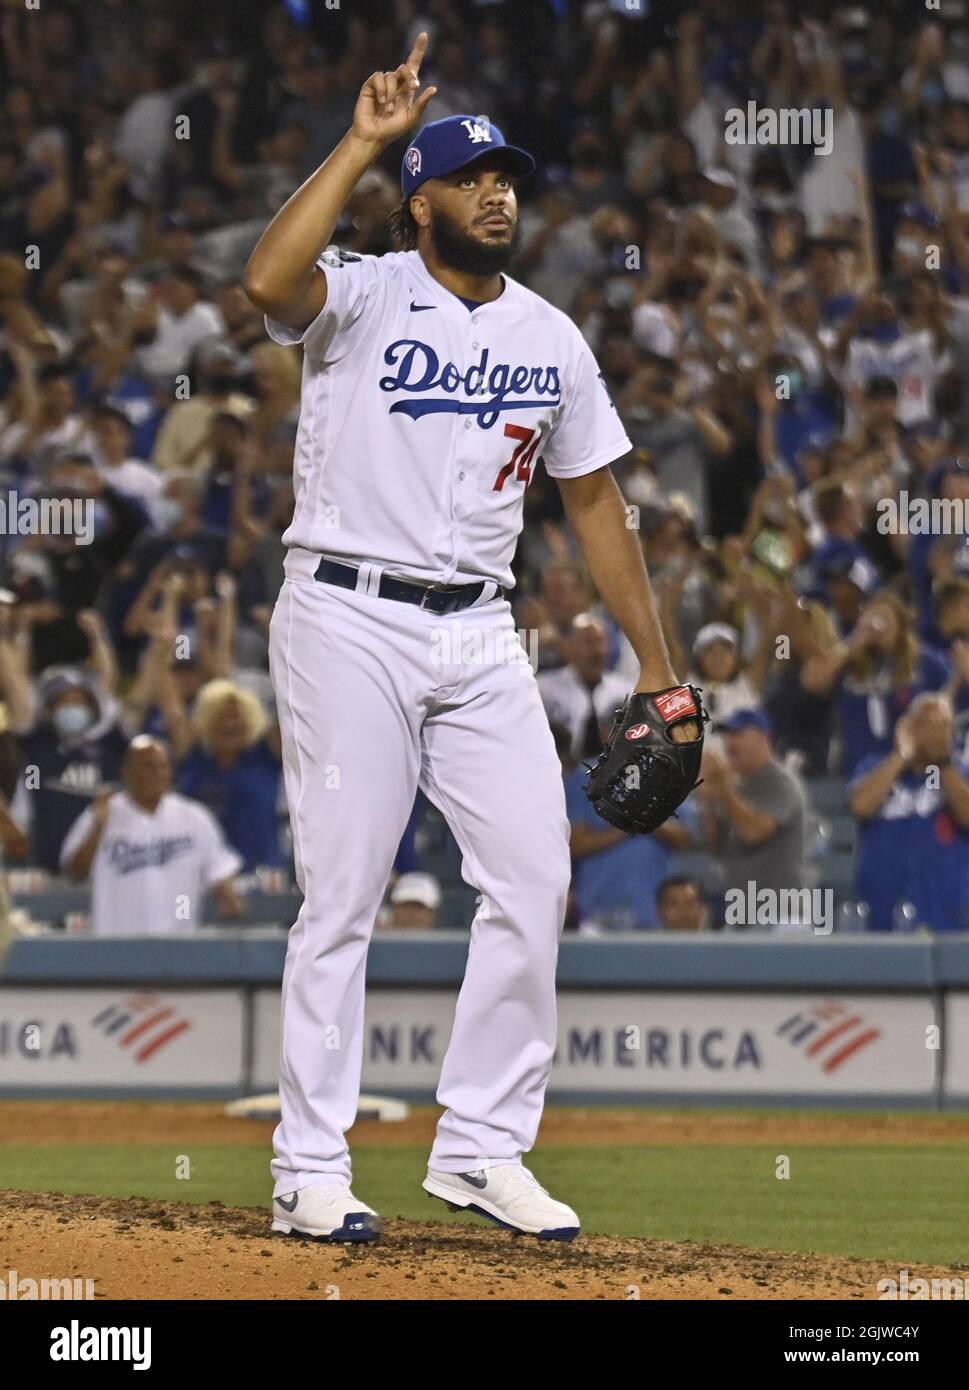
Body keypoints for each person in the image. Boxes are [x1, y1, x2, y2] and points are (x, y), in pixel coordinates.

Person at [242, 34, 700, 1244]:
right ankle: (309, 1165)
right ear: (422, 200)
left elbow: (596, 503)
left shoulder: (552, 336)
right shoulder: (365, 291)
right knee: (342, 893)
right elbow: (264, 285)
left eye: (509, 177)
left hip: (481, 629)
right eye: (473, 174)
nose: (500, 190)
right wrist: (362, 141)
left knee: (538, 876)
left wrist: (659, 669)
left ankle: (483, 1146)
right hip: (344, 613)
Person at [60, 735, 244, 935]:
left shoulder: (194, 817)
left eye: (162, 766)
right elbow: (75, 874)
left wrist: (228, 896)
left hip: (178, 944)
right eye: (147, 766)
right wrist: (98, 828)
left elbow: (219, 872)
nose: (156, 773)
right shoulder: (100, 814)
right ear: (126, 772)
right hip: (115, 946)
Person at [849, 693, 969, 931]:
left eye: (942, 726)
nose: (934, 732)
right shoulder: (874, 766)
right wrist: (901, 756)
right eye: (926, 723)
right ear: (908, 726)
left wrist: (942, 761)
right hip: (883, 916)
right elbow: (861, 806)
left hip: (947, 917)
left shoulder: (960, 773)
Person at [699, 709, 808, 923]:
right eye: (726, 734)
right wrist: (708, 800)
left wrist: (722, 785)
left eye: (737, 733)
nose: (729, 741)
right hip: (742, 912)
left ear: (763, 738)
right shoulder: (736, 786)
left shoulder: (780, 781)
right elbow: (717, 847)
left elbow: (753, 833)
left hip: (781, 915)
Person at [537, 613, 629, 760]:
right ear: (570, 646)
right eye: (589, 642)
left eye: (600, 642)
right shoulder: (544, 688)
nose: (597, 651)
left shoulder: (624, 690)